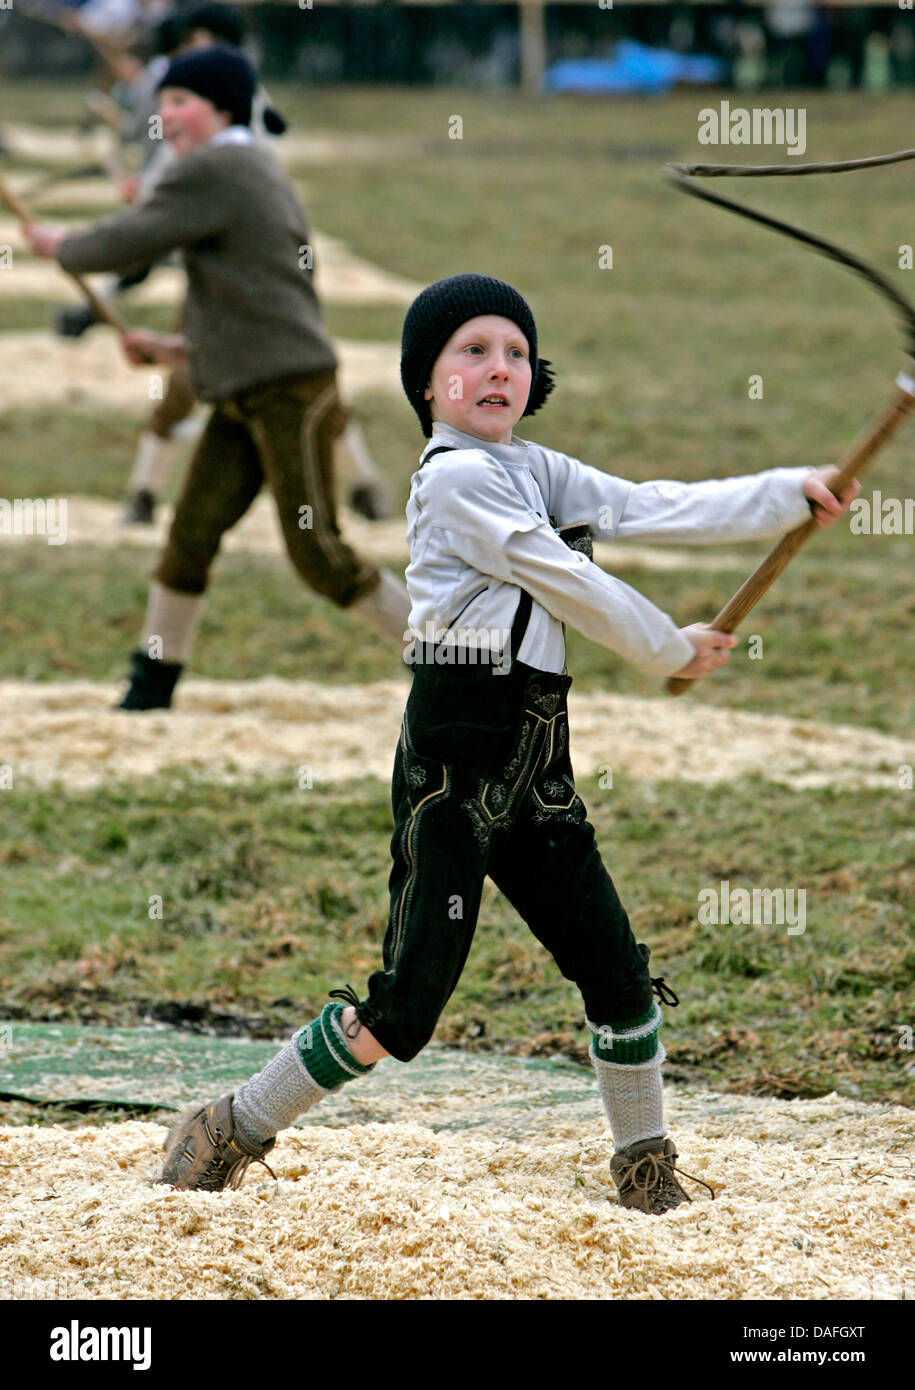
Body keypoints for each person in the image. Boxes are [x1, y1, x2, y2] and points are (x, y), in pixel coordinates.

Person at [150, 272, 858, 1213]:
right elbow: (562, 576)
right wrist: (667, 648)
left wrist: (785, 493)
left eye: (517, 353)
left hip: (537, 765)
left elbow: (652, 505)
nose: (500, 369)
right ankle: (231, 1125)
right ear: (427, 383)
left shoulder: (533, 466)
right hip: (454, 763)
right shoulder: (453, 481)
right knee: (403, 1011)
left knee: (616, 972)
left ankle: (645, 1172)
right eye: (471, 352)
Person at [25, 46, 409, 710]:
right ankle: (151, 686)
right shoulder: (245, 164)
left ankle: (452, 665)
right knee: (189, 537)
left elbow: (132, 238)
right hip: (242, 390)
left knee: (317, 552)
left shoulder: (218, 166)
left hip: (290, 391)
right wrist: (176, 348)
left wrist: (65, 246)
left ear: (222, 107)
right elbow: (247, 294)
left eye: (181, 103)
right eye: (163, 102)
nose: (165, 115)